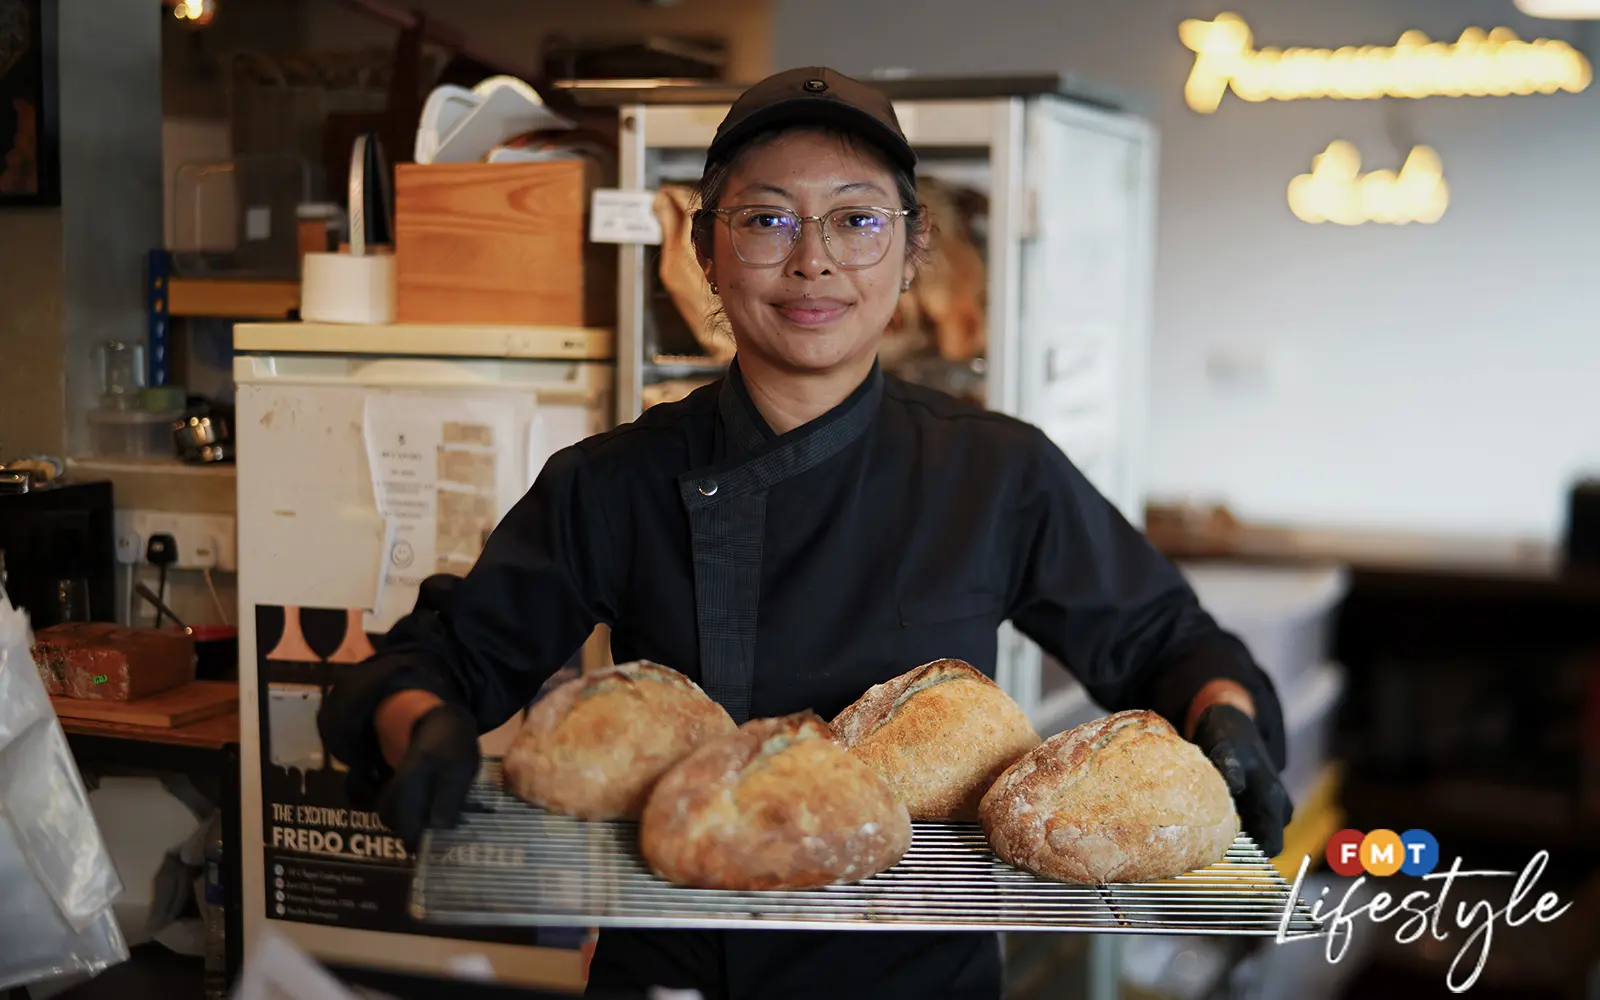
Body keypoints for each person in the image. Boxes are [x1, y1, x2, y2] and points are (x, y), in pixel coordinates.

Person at [319, 66, 1293, 1000]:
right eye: (766, 218)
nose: (811, 258)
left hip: (915, 978)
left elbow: (1165, 643)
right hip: (676, 962)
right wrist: (422, 729)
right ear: (704, 249)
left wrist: (1222, 715)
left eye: (857, 219)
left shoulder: (994, 471)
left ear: (912, 251)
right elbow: (443, 660)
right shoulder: (613, 481)